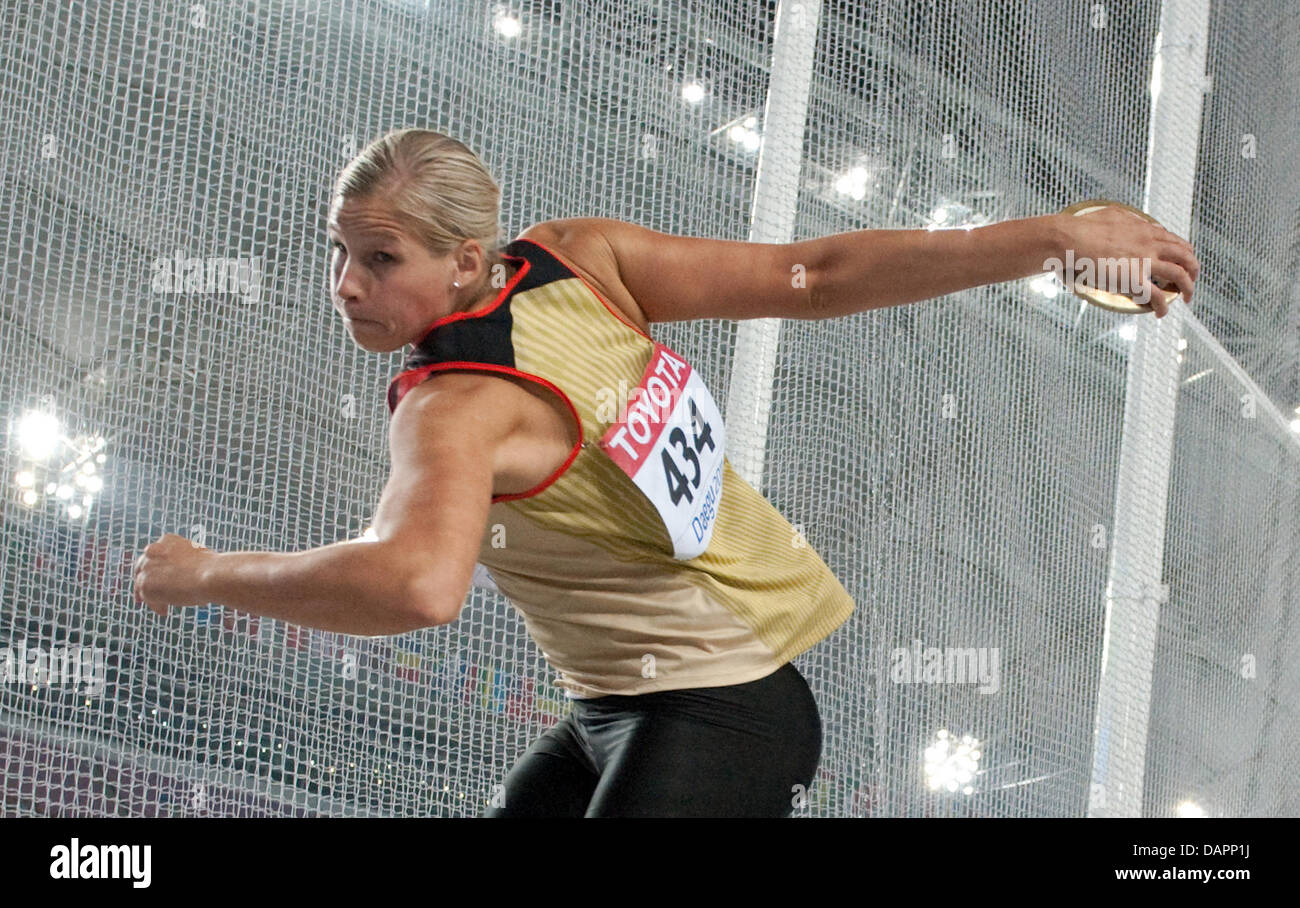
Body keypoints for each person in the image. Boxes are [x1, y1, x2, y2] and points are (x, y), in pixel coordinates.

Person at [132, 128, 1199, 817]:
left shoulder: (453, 407)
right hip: (627, 708)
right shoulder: (578, 257)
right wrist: (1049, 239)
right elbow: (812, 276)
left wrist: (211, 574)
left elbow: (415, 582)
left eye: (380, 258)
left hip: (715, 713)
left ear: (465, 260)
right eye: (340, 251)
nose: (345, 285)